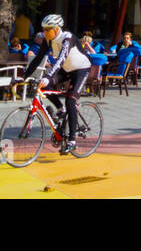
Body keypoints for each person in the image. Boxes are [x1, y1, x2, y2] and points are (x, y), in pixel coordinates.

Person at [21, 14, 92, 156]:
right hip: (66, 69)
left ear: (56, 29)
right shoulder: (49, 40)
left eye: (47, 29)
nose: (44, 33)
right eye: (43, 30)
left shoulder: (67, 38)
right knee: (45, 88)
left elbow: (61, 59)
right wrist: (24, 77)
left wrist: (47, 76)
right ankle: (60, 109)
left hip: (81, 69)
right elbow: (38, 59)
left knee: (71, 100)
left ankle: (72, 141)